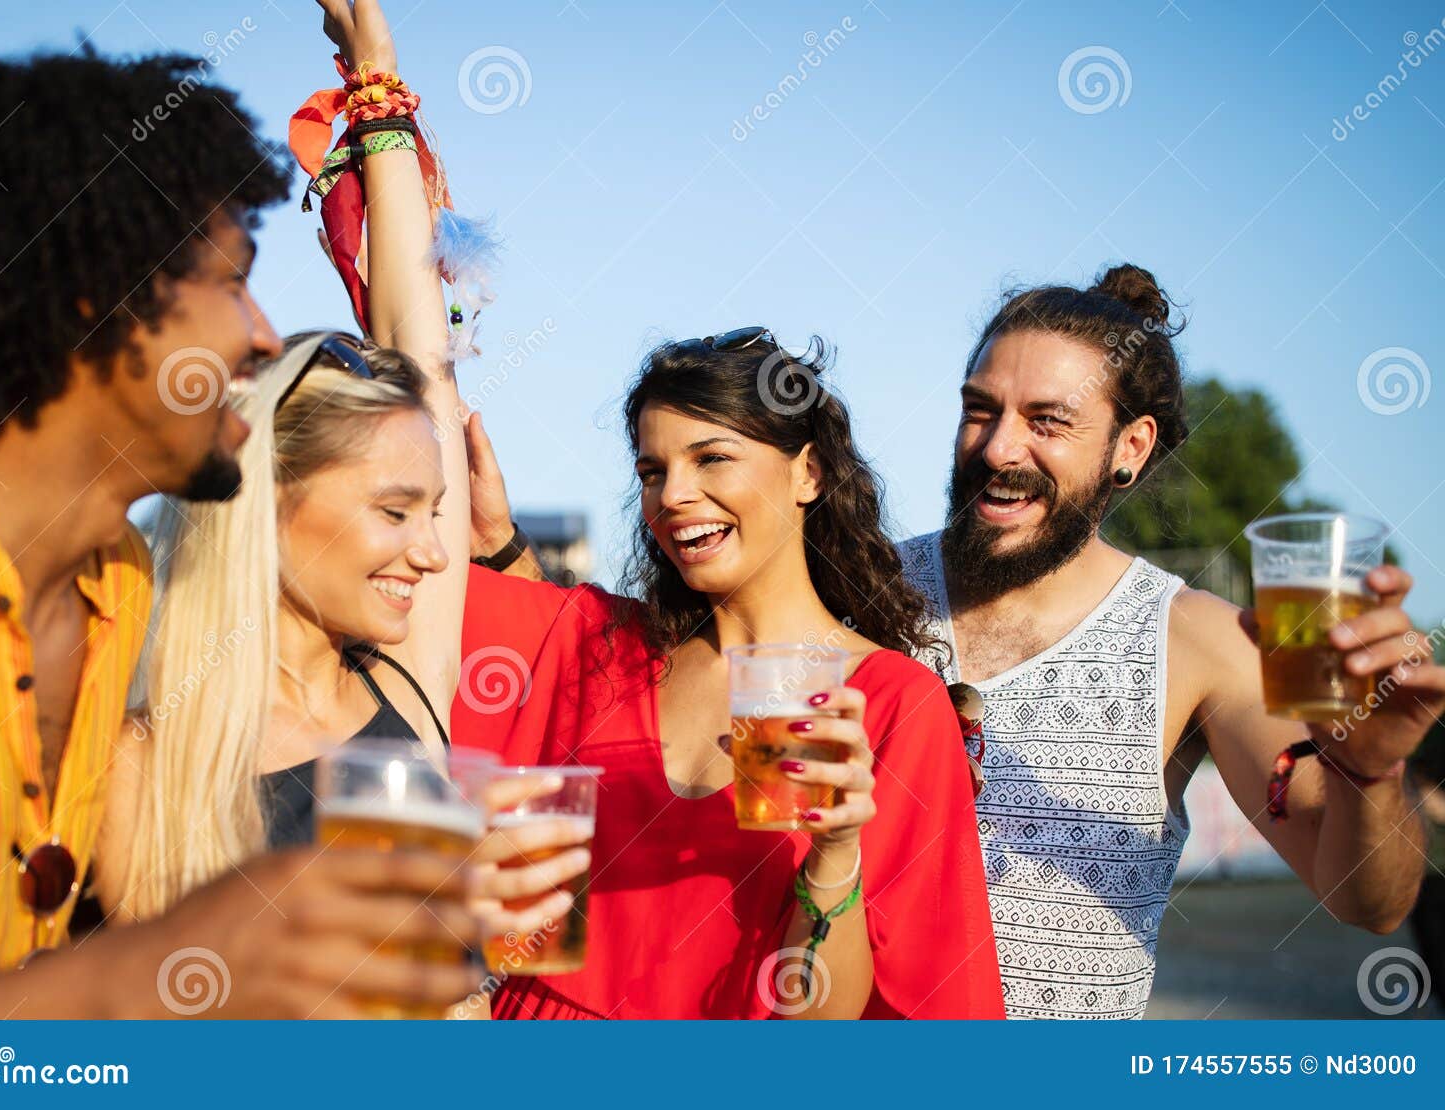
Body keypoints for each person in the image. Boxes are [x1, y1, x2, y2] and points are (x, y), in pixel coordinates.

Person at [0, 45, 481, 1018]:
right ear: (98, 298)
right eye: (233, 282)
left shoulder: (121, 584)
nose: (263, 334)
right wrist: (182, 961)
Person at [94, 1, 588, 998]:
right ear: (268, 500)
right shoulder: (147, 763)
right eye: (395, 512)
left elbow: (422, 352)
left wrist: (377, 82)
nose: (435, 553)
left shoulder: (406, 679)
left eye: (432, 512)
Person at [896, 263, 1442, 1018]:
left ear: (1130, 446)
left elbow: (1366, 902)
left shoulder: (1194, 639)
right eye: (980, 411)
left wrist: (1370, 772)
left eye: (1047, 421)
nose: (998, 448)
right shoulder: (857, 592)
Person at [455, 332, 1004, 1019]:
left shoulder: (893, 704)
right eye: (652, 471)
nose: (673, 494)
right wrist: (490, 537)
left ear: (808, 473)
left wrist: (836, 850)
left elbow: (830, 1024)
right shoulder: (604, 647)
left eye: (711, 458)